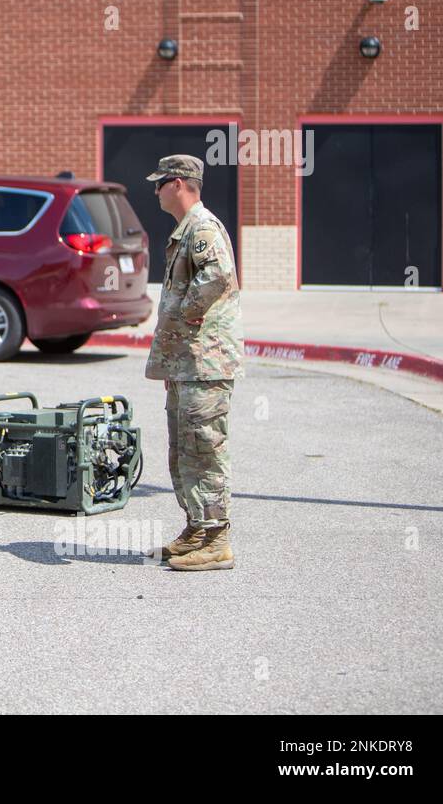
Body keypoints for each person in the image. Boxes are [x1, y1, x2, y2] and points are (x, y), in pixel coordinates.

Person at [144, 155, 244, 571]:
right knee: (183, 448)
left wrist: (184, 316)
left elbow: (216, 276)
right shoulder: (184, 231)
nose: (155, 190)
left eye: (161, 182)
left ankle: (217, 539)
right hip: (187, 364)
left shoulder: (202, 229)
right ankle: (197, 528)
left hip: (206, 362)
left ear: (181, 183)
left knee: (205, 447)